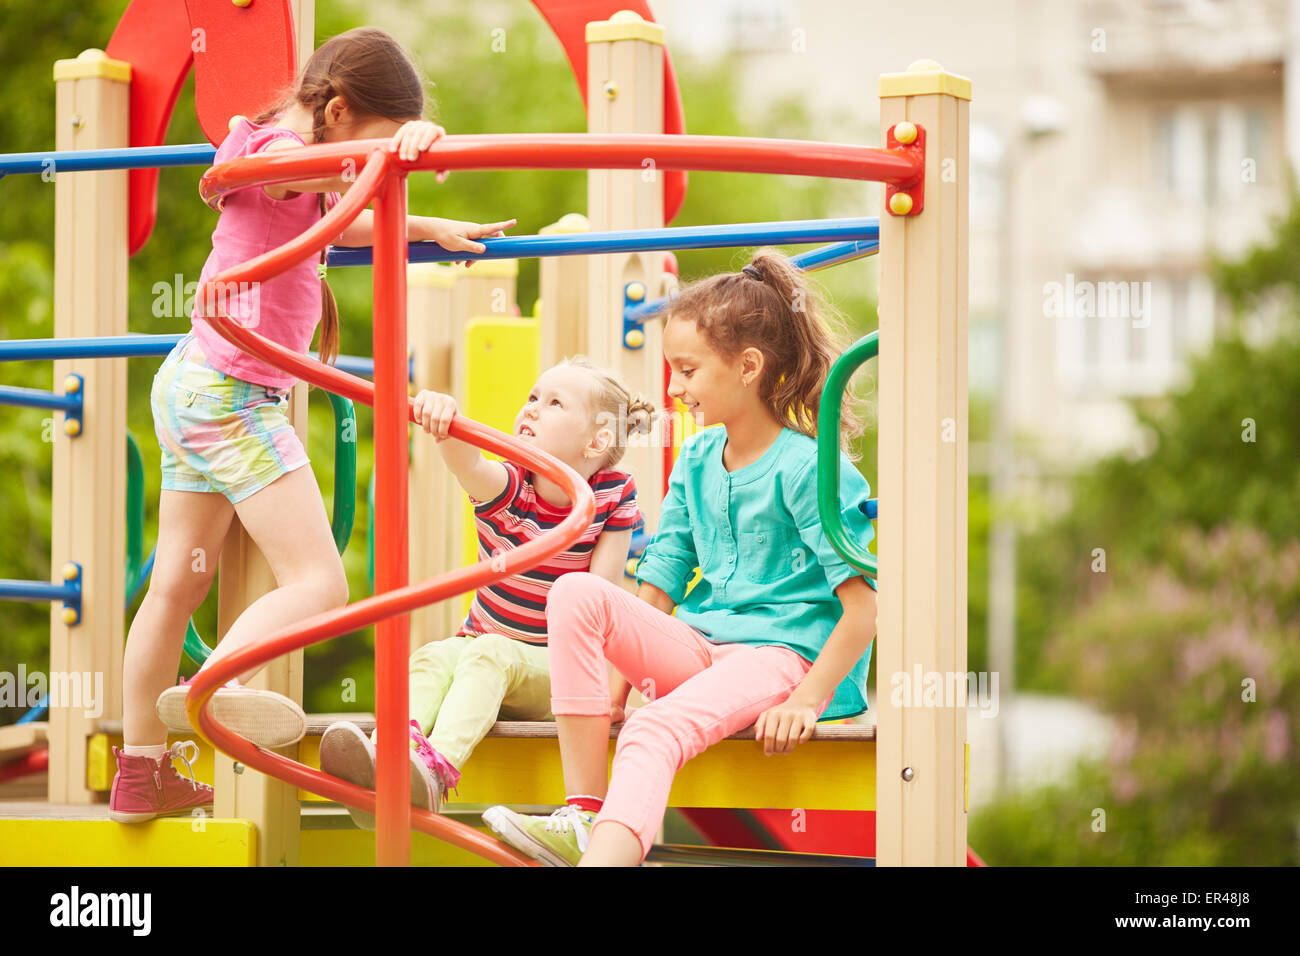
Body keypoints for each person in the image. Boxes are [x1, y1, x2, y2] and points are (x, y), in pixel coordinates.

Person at [110, 27, 515, 823]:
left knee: (176, 586)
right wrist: (397, 155)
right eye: (369, 142)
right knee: (321, 582)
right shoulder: (276, 153)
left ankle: (139, 772)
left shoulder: (301, 166)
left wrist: (424, 224)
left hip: (199, 386)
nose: (368, 164)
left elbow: (338, 215)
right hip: (231, 395)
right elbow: (300, 184)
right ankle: (209, 693)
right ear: (334, 109)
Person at [481, 250, 878, 866]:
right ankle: (584, 811)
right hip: (701, 645)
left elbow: (863, 609)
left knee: (652, 727)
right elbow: (662, 574)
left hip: (784, 657)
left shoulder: (808, 468)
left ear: (747, 367)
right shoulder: (696, 459)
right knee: (576, 594)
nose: (672, 388)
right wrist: (614, 687)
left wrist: (808, 699)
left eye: (687, 370)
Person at [320, 357, 652, 827]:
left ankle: (434, 773)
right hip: (482, 646)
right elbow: (468, 464)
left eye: (554, 403)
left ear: (596, 441)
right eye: (533, 397)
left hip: (559, 669)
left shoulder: (612, 494)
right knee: (435, 655)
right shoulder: (512, 486)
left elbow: (600, 597)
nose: (532, 409)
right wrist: (446, 423)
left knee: (491, 652)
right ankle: (388, 755)